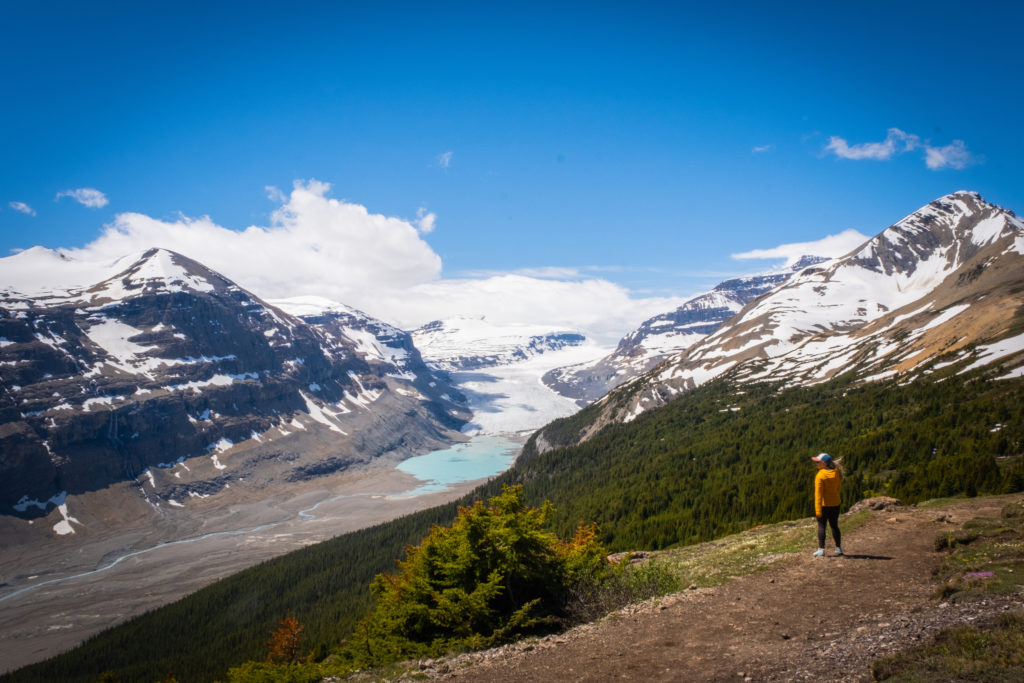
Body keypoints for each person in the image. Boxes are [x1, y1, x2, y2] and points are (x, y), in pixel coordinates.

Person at [811, 453, 843, 557]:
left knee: (821, 526)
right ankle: (838, 548)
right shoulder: (837, 472)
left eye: (817, 462)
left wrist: (818, 510)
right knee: (834, 526)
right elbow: (838, 488)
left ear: (824, 463)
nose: (816, 463)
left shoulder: (820, 475)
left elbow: (818, 496)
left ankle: (821, 549)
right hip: (835, 504)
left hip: (824, 506)